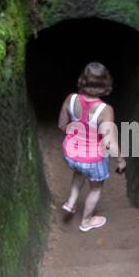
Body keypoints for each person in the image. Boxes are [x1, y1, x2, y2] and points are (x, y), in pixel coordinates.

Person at [58, 62, 125, 232]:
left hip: (71, 154)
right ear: (106, 84)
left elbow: (61, 125)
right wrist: (120, 159)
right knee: (96, 188)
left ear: (83, 80)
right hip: (93, 159)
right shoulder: (105, 110)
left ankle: (71, 202)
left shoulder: (71, 99)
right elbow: (109, 141)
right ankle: (86, 221)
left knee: (79, 171)